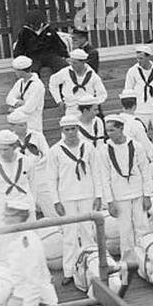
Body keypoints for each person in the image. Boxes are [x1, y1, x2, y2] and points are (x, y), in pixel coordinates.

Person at [47, 115, 103, 275]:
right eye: (67, 129)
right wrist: (56, 201)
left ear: (78, 129)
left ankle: (92, 267)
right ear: (62, 131)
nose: (71, 132)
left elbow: (96, 172)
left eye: (73, 129)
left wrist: (98, 195)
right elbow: (52, 178)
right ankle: (69, 271)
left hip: (87, 194)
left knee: (88, 232)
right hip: (67, 197)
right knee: (69, 236)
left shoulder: (89, 147)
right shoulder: (55, 151)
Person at [100, 115, 153, 266]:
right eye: (107, 131)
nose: (109, 133)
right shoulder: (104, 150)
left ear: (121, 129)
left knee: (142, 226)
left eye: (112, 130)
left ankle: (145, 257)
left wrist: (147, 195)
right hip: (119, 196)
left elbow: (145, 171)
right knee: (125, 231)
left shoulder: (136, 146)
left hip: (138, 193)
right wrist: (109, 201)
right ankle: (128, 262)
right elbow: (104, 177)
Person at [6, 108, 53, 217]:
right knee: (28, 210)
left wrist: (35, 165)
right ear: (13, 127)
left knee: (49, 206)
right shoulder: (9, 141)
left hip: (40, 175)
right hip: (22, 179)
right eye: (20, 125)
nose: (25, 127)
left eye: (25, 124)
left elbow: (47, 154)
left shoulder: (37, 136)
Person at [0, 129, 38, 219]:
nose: (2, 153)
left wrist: (33, 202)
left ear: (14, 147)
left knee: (29, 232)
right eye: (0, 149)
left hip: (26, 205)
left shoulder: (27, 161)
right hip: (5, 210)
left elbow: (33, 183)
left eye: (5, 150)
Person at [123, 45, 153, 140]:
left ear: (148, 57)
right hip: (140, 109)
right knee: (140, 136)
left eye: (141, 58)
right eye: (137, 58)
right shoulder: (132, 71)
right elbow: (128, 90)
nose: (139, 61)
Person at [11, 8, 68, 80]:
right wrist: (19, 59)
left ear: (41, 22)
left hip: (50, 55)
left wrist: (65, 55)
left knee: (64, 66)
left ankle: (62, 86)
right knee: (32, 71)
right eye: (31, 24)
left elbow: (58, 44)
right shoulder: (24, 32)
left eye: (36, 24)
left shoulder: (49, 30)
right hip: (33, 56)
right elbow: (19, 48)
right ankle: (34, 87)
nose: (34, 26)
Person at [6, 56, 46, 134]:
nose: (15, 73)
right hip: (19, 123)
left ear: (21, 71)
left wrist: (14, 110)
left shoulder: (37, 85)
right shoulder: (20, 82)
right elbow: (9, 99)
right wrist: (18, 102)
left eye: (16, 71)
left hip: (33, 124)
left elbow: (29, 108)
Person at [115, 92, 153, 157]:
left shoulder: (115, 120)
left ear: (122, 106)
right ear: (135, 106)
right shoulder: (135, 123)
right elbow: (147, 146)